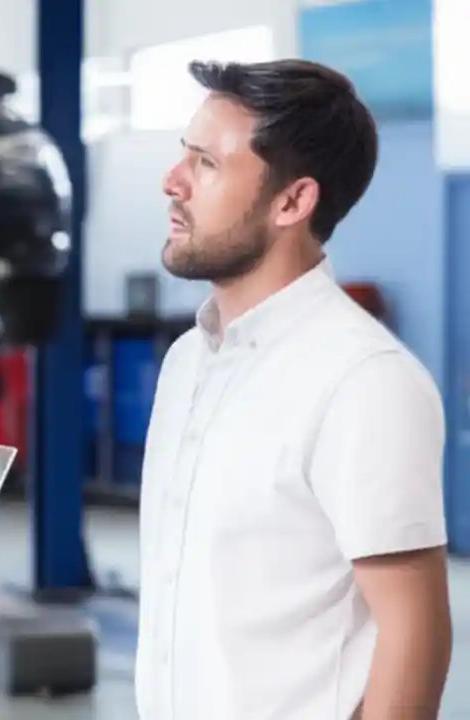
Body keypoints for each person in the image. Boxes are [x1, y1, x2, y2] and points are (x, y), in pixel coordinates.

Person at [136, 59, 452, 719]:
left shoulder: (363, 382)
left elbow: (414, 632)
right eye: (182, 156)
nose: (172, 182)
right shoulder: (188, 360)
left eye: (206, 164)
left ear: (292, 202)